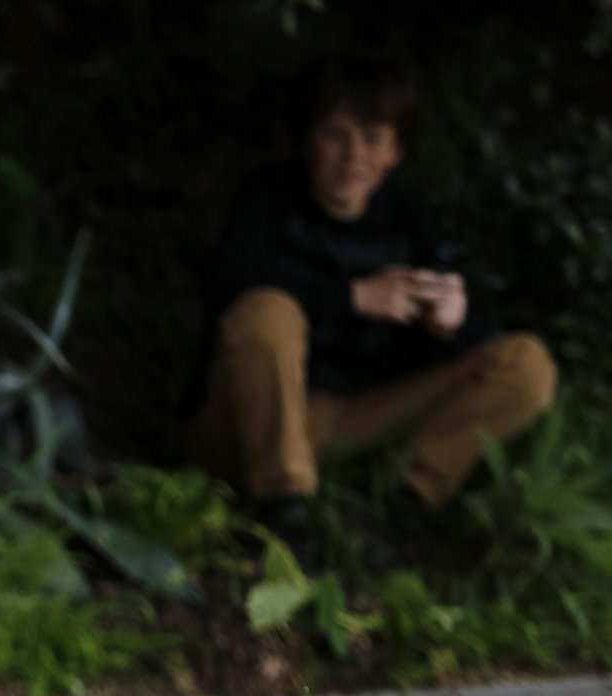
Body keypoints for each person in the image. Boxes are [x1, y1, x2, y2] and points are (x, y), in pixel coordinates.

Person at [187, 54, 558, 573]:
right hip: (258, 421)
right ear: (310, 140)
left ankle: (401, 502)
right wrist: (353, 297)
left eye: (373, 139)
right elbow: (227, 291)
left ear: (394, 153)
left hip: (359, 419)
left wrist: (453, 322)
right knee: (268, 310)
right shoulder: (269, 197)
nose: (352, 156)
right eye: (337, 135)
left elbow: (472, 326)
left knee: (526, 362)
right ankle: (284, 513)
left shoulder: (409, 219)